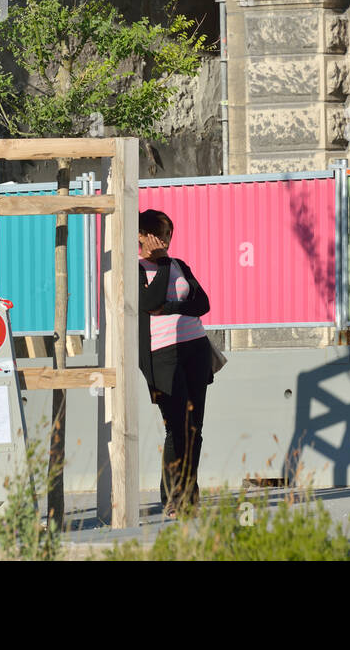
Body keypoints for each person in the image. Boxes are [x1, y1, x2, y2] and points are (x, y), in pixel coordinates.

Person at [138, 208, 212, 517]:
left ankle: (189, 496)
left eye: (169, 234)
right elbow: (149, 302)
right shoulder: (137, 269)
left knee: (195, 427)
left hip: (195, 349)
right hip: (162, 356)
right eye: (159, 233)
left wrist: (170, 305)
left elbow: (202, 304)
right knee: (177, 428)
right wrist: (163, 263)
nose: (166, 240)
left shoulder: (180, 265)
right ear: (142, 236)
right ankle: (172, 497)